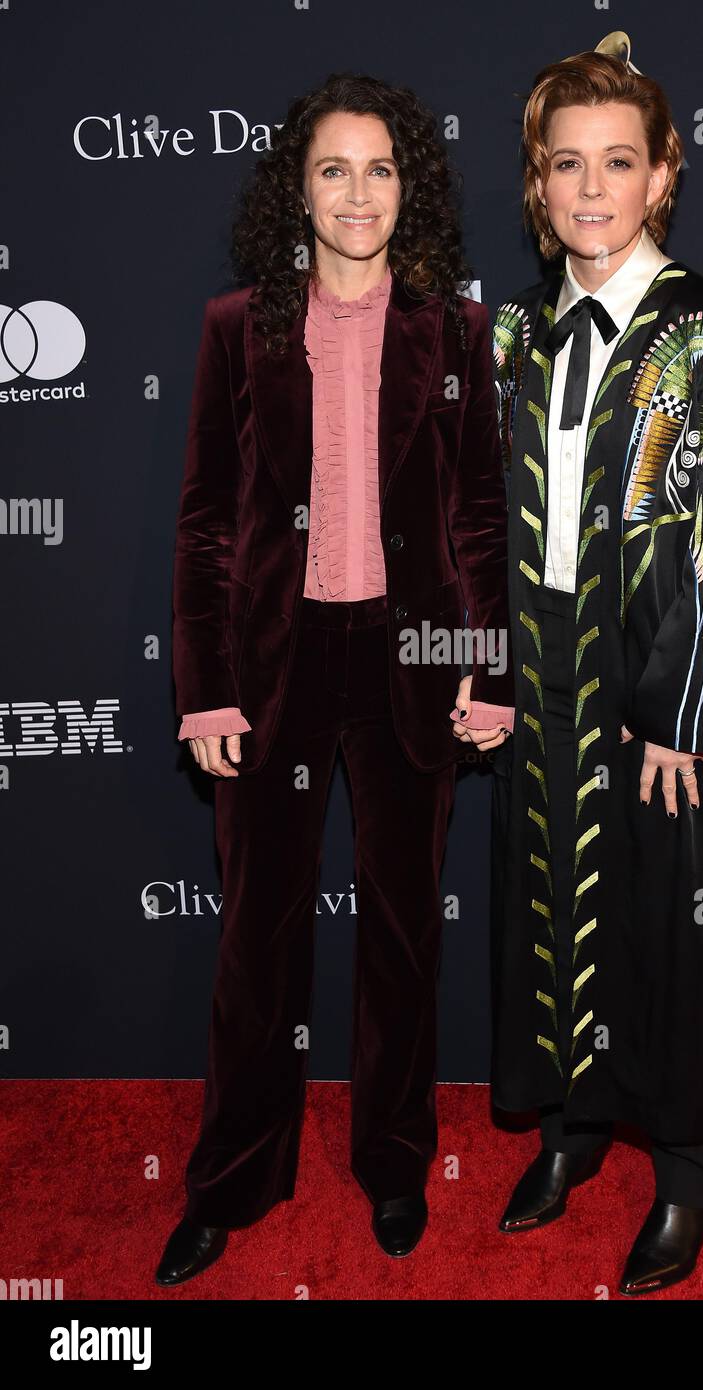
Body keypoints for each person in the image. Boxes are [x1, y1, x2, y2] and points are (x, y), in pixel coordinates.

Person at [156, 71, 514, 1286]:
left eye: (379, 169)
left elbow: (478, 516)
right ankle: (235, 1175)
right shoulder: (237, 325)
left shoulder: (452, 331)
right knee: (256, 939)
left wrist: (489, 662)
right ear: (296, 187)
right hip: (277, 660)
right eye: (332, 169)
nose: (357, 194)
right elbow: (205, 522)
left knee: (405, 933)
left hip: (409, 656)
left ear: (408, 186)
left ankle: (397, 1164)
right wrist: (205, 689)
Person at [486, 31, 703, 1295]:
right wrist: (491, 666)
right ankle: (571, 1131)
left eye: (618, 162)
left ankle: (688, 1173)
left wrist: (683, 711)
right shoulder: (518, 339)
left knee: (670, 932)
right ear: (538, 187)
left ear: (664, 175)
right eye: (566, 165)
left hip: (664, 692)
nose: (590, 188)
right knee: (551, 912)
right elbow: (490, 528)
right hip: (546, 670)